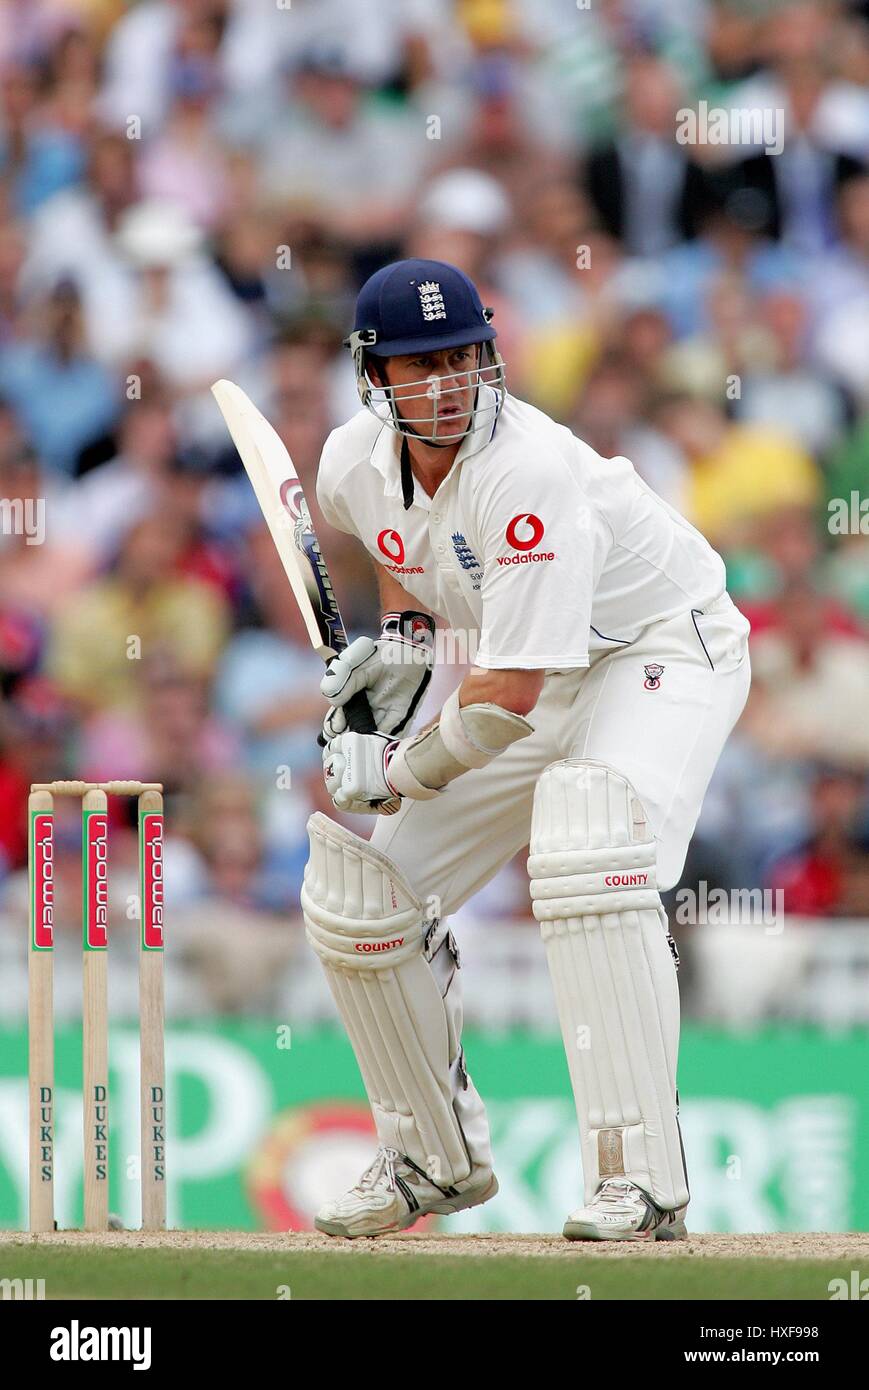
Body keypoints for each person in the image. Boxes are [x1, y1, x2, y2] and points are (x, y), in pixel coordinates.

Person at [303, 257, 751, 1240]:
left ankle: (641, 1183)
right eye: (419, 364)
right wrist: (398, 674)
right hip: (539, 667)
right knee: (358, 897)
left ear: (488, 354)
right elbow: (413, 578)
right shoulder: (348, 469)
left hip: (660, 647)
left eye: (461, 355)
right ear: (373, 378)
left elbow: (504, 699)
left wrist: (398, 768)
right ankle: (430, 1155)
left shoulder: (529, 472)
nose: (446, 381)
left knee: (585, 845)